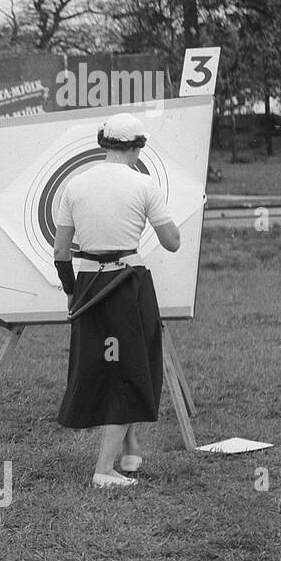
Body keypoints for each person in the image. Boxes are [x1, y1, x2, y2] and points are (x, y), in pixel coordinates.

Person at [52, 112, 181, 488]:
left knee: (108, 364)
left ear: (103, 143)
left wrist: (72, 291)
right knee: (132, 370)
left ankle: (130, 448)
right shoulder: (144, 185)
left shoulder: (75, 185)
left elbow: (61, 252)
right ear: (138, 147)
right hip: (129, 285)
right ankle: (104, 470)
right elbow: (172, 243)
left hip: (90, 284)